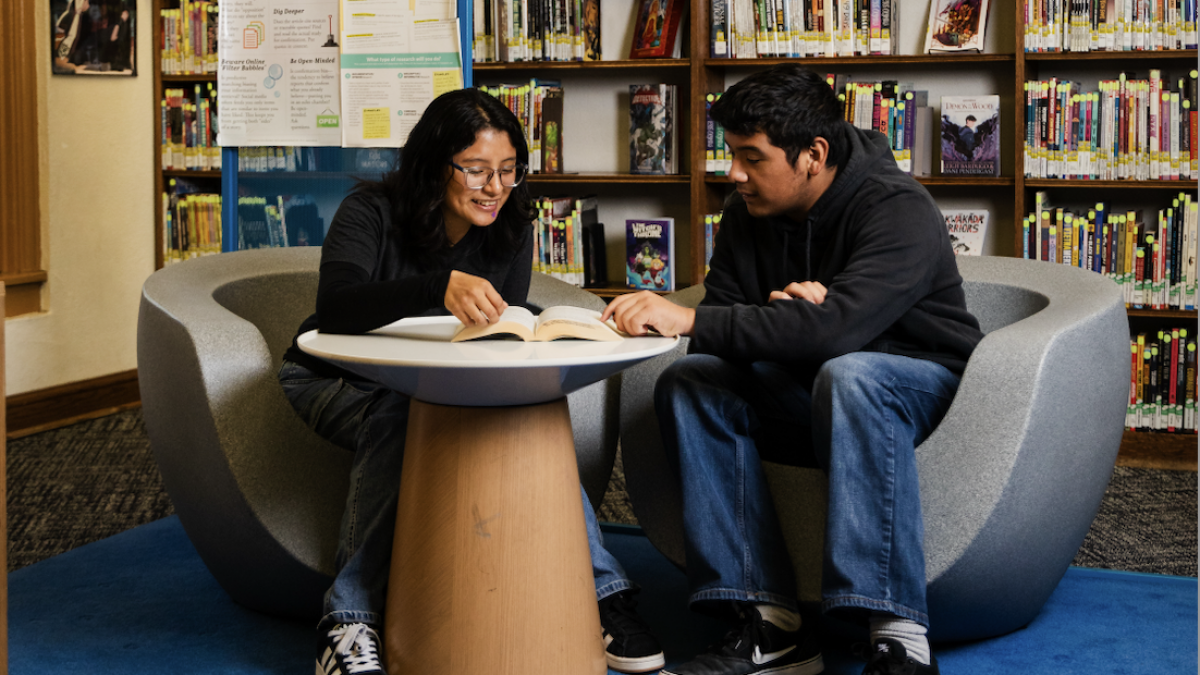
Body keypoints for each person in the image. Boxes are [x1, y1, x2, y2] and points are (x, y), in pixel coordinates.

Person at [602, 64, 984, 675]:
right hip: (808, 380)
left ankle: (898, 637)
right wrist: (792, 323)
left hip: (920, 383)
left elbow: (832, 335)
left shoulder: (897, 207)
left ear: (813, 154)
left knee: (854, 373)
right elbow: (731, 330)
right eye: (732, 155)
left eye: (751, 158)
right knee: (691, 380)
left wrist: (811, 329)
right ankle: (768, 621)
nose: (734, 174)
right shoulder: (743, 213)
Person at [278, 88, 663, 675]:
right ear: (437, 166)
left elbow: (494, 328)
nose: (495, 188)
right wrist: (437, 287)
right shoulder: (370, 211)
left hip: (441, 381)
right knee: (404, 410)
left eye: (509, 171)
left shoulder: (509, 220)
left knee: (527, 415)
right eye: (478, 171)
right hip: (332, 378)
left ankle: (603, 597)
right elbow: (335, 308)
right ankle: (347, 623)